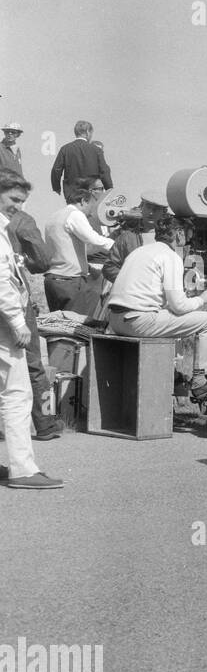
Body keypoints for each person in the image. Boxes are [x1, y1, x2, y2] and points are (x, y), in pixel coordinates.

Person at [0, 170, 63, 489]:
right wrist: (17, 321)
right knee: (21, 388)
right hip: (7, 320)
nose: (17, 206)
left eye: (21, 201)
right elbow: (6, 280)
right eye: (13, 199)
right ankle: (25, 465)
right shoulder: (10, 227)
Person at [105, 216, 207, 391]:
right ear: (179, 233)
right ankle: (201, 380)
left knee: (171, 316)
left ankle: (170, 375)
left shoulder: (140, 252)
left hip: (115, 320)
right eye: (188, 234)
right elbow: (179, 306)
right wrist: (201, 299)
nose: (188, 239)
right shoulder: (170, 256)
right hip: (137, 321)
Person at [4, 196, 62, 440]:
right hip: (14, 295)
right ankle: (45, 423)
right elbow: (42, 260)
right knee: (32, 363)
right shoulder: (21, 219)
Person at [43, 185, 113, 312]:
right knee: (74, 323)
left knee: (57, 325)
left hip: (52, 280)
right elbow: (93, 238)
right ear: (83, 201)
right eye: (91, 205)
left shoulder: (53, 218)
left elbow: (71, 247)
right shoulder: (75, 214)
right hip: (69, 280)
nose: (92, 211)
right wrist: (116, 245)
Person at [50, 121, 112, 196]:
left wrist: (56, 187)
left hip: (71, 192)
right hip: (92, 191)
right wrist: (109, 188)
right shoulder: (96, 150)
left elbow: (56, 169)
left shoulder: (65, 149)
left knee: (73, 208)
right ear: (88, 132)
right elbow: (104, 171)